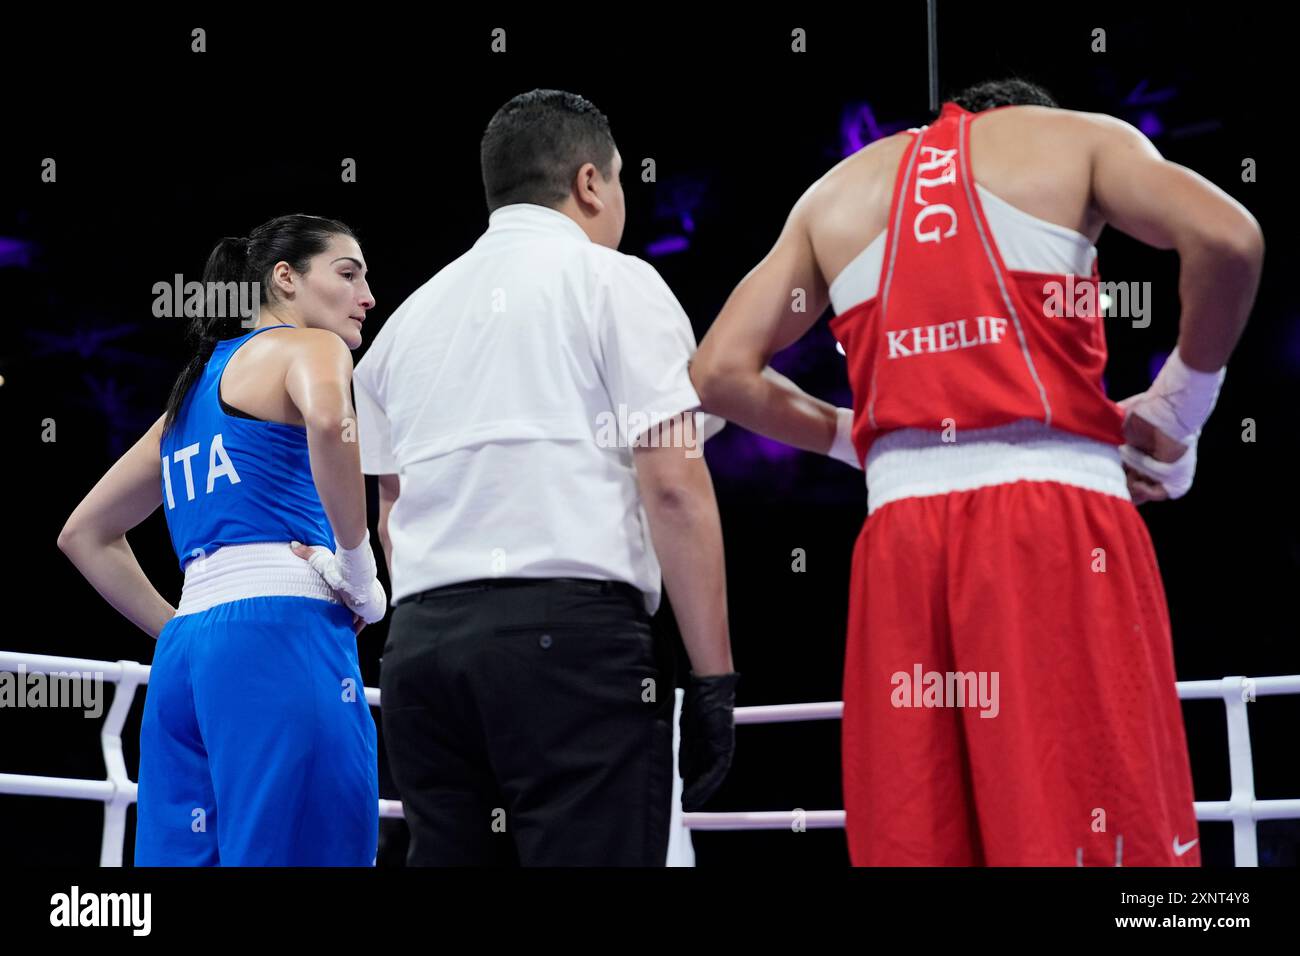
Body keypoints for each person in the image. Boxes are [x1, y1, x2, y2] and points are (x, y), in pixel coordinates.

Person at [689, 79, 1263, 865]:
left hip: (899, 538)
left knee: (920, 832)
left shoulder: (834, 194)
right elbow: (1230, 239)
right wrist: (1178, 409)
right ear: (1029, 113)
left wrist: (863, 441)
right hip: (1055, 521)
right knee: (1092, 821)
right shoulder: (1077, 140)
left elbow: (719, 372)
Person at [353, 89, 736, 866]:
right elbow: (673, 486)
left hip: (424, 652)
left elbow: (390, 517)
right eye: (622, 180)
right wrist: (714, 676)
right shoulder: (616, 282)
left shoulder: (401, 327)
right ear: (591, 182)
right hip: (571, 647)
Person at [58, 214, 387, 865]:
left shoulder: (188, 397)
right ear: (284, 279)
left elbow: (83, 534)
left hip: (187, 666)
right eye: (348, 274)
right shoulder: (310, 346)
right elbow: (329, 419)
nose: (367, 295)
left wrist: (184, 629)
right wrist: (358, 568)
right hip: (283, 638)